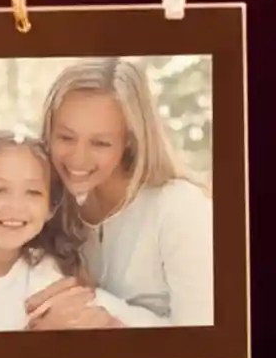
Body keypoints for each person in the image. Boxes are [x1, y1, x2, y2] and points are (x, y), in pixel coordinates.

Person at [29, 58, 215, 327]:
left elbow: (206, 342)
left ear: (129, 140)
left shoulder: (180, 208)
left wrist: (109, 319)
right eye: (66, 138)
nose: (78, 159)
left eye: (100, 143)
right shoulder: (49, 208)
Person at [0, 131, 135, 331]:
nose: (16, 206)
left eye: (32, 192)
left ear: (51, 207)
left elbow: (128, 323)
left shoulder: (49, 276)